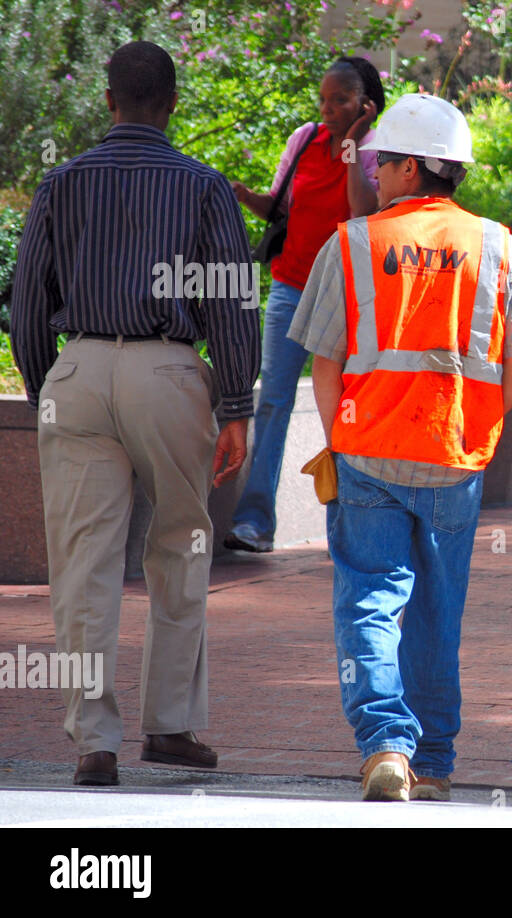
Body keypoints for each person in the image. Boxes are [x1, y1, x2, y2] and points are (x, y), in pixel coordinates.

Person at [288, 94, 512, 801]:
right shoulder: (501, 244)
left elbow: (324, 358)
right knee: (439, 608)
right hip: (452, 459)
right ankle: (433, 761)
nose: (373, 172)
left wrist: (339, 435)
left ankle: (384, 744)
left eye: (381, 163)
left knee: (370, 602)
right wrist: (479, 425)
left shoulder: (350, 243)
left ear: (412, 167)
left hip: (366, 455)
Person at [10, 41, 261, 786]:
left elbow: (25, 302)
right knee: (180, 546)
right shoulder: (206, 187)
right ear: (173, 103)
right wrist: (237, 402)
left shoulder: (61, 184)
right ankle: (172, 726)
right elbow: (231, 303)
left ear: (109, 100)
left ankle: (95, 741)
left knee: (82, 564)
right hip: (167, 369)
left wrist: (44, 385)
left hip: (79, 366)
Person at [223, 57, 384, 553]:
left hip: (348, 295)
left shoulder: (378, 150)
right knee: (273, 400)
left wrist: (354, 143)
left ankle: (350, 523)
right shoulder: (304, 140)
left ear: (366, 103)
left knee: (347, 406)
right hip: (292, 286)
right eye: (324, 99)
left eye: (341, 99)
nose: (329, 109)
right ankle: (255, 522)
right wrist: (245, 196)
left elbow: (363, 212)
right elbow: (281, 206)